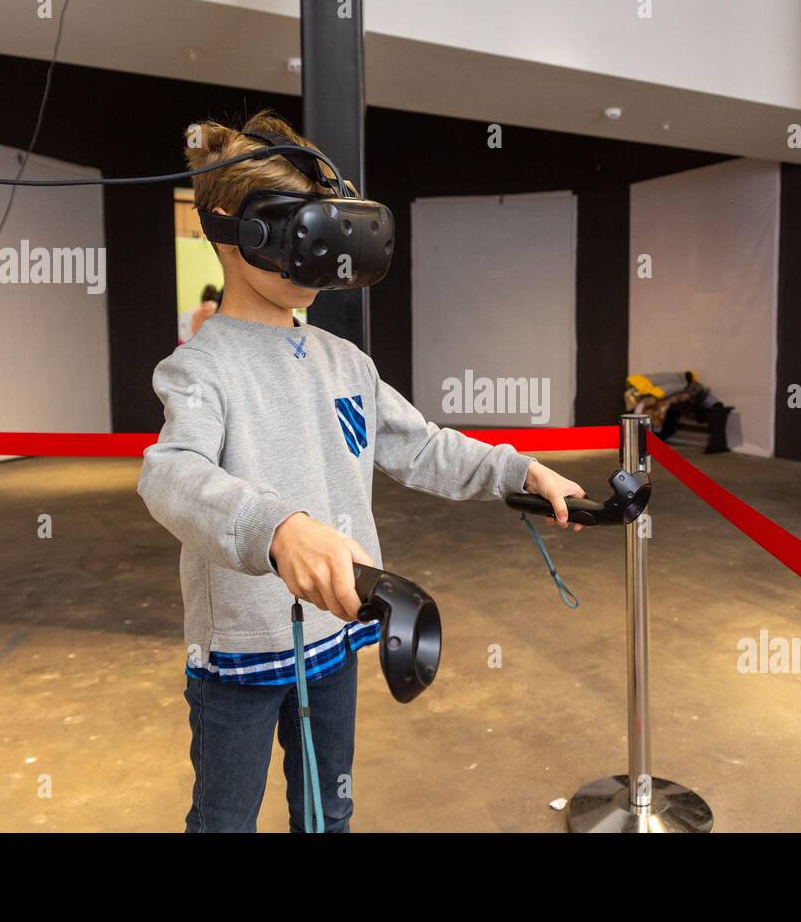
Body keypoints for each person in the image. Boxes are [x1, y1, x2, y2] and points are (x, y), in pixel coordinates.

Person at [137, 111, 585, 833]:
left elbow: (423, 446)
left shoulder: (347, 363)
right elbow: (170, 474)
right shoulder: (202, 367)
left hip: (339, 633)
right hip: (241, 654)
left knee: (329, 813)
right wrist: (277, 529)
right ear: (237, 231)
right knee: (224, 820)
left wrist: (521, 471)